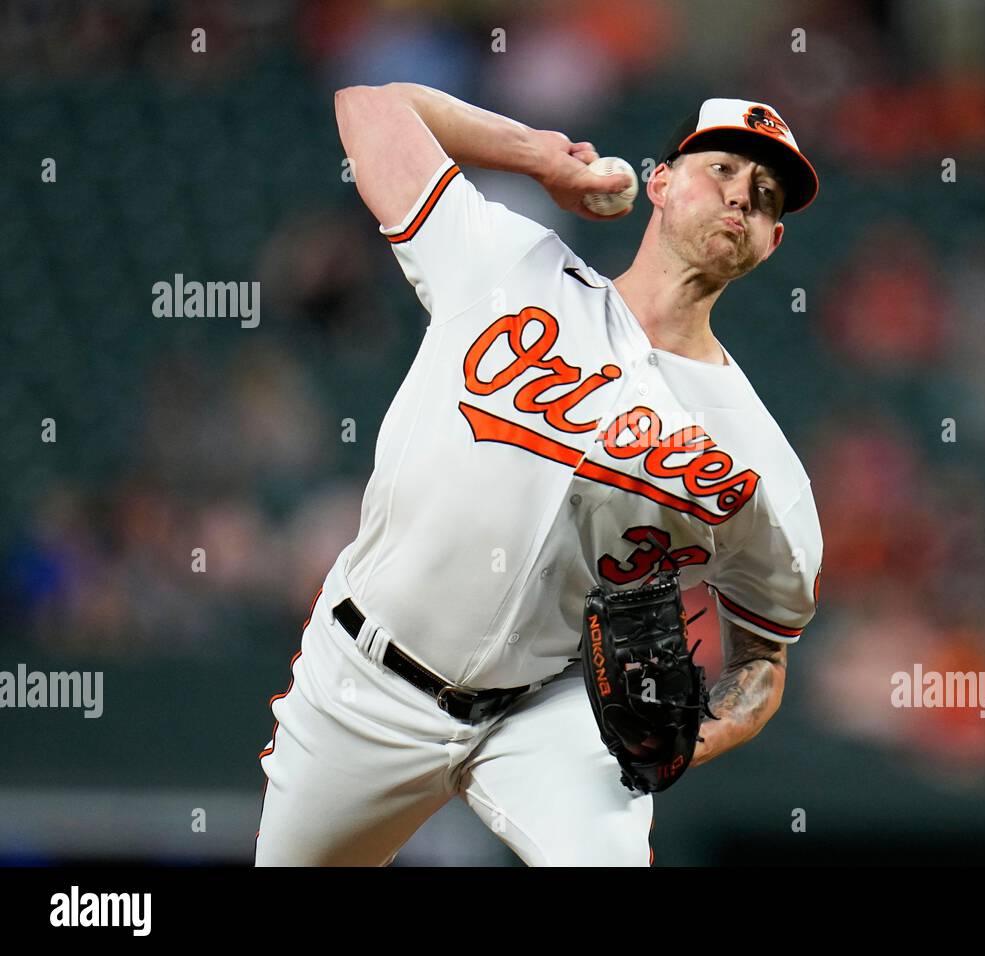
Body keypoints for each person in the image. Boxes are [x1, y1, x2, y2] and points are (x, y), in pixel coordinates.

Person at [253, 87, 824, 866]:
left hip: (547, 713)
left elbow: (763, 656)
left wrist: (689, 740)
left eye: (764, 198)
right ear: (658, 181)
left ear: (771, 243)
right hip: (366, 679)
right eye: (722, 167)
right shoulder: (508, 265)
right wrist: (538, 157)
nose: (740, 195)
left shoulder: (761, 465)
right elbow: (369, 107)